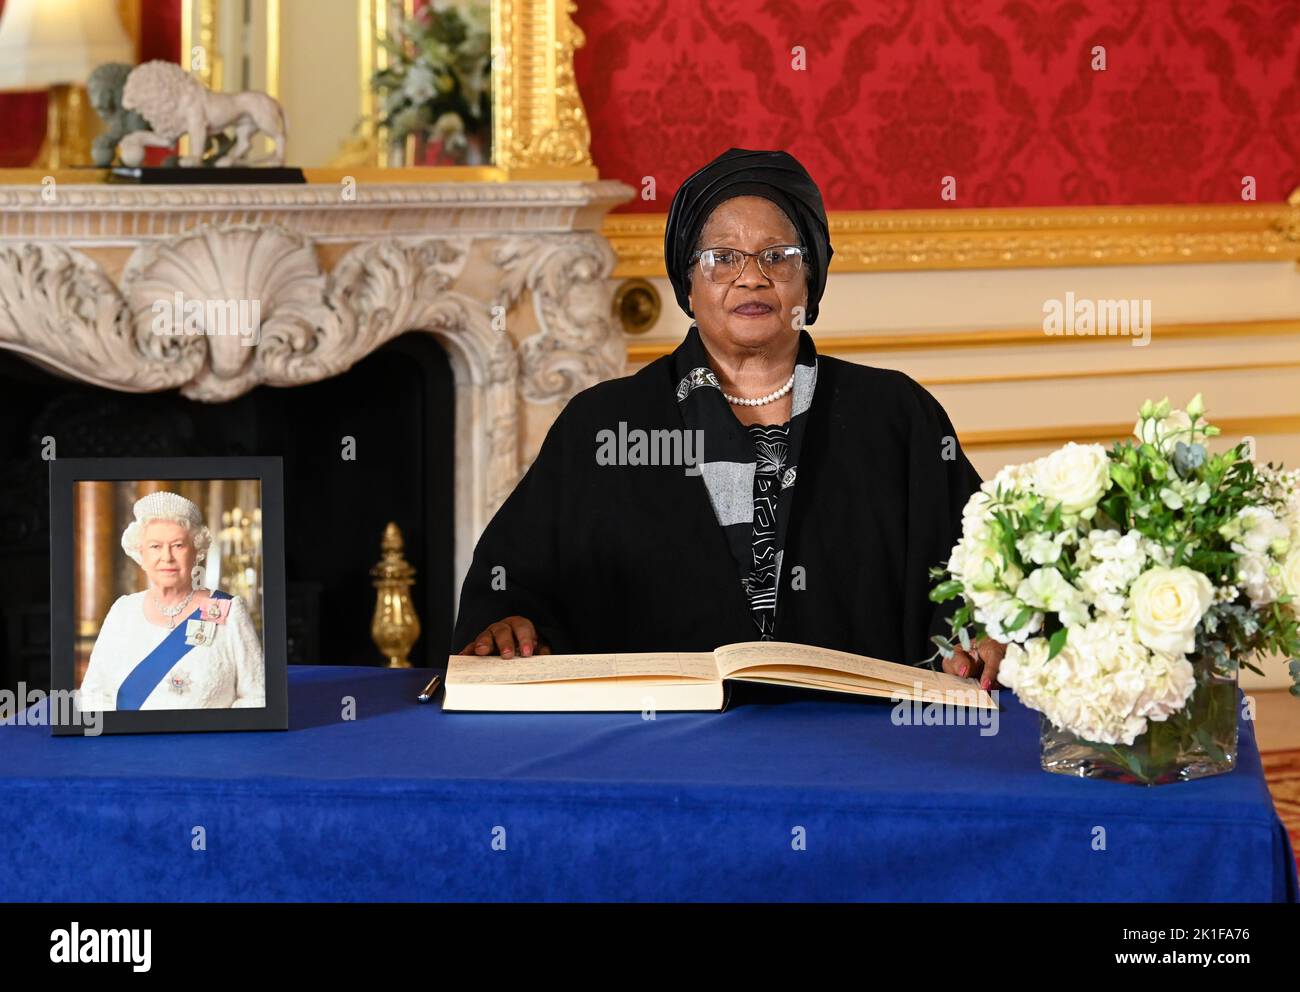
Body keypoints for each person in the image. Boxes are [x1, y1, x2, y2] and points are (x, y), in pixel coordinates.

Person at [452, 147, 1006, 687]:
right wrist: (507, 624)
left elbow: (980, 573)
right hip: (658, 749)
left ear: (809, 280)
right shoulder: (603, 426)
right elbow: (512, 588)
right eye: (722, 258)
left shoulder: (896, 415)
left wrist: (984, 631)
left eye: (778, 256)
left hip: (858, 741)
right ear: (687, 285)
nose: (752, 277)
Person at [79, 491, 265, 710]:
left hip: (208, 743)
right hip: (132, 743)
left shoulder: (228, 610)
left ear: (196, 552)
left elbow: (257, 697)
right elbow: (92, 694)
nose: (166, 557)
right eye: (155, 546)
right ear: (142, 556)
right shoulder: (122, 611)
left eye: (178, 545)